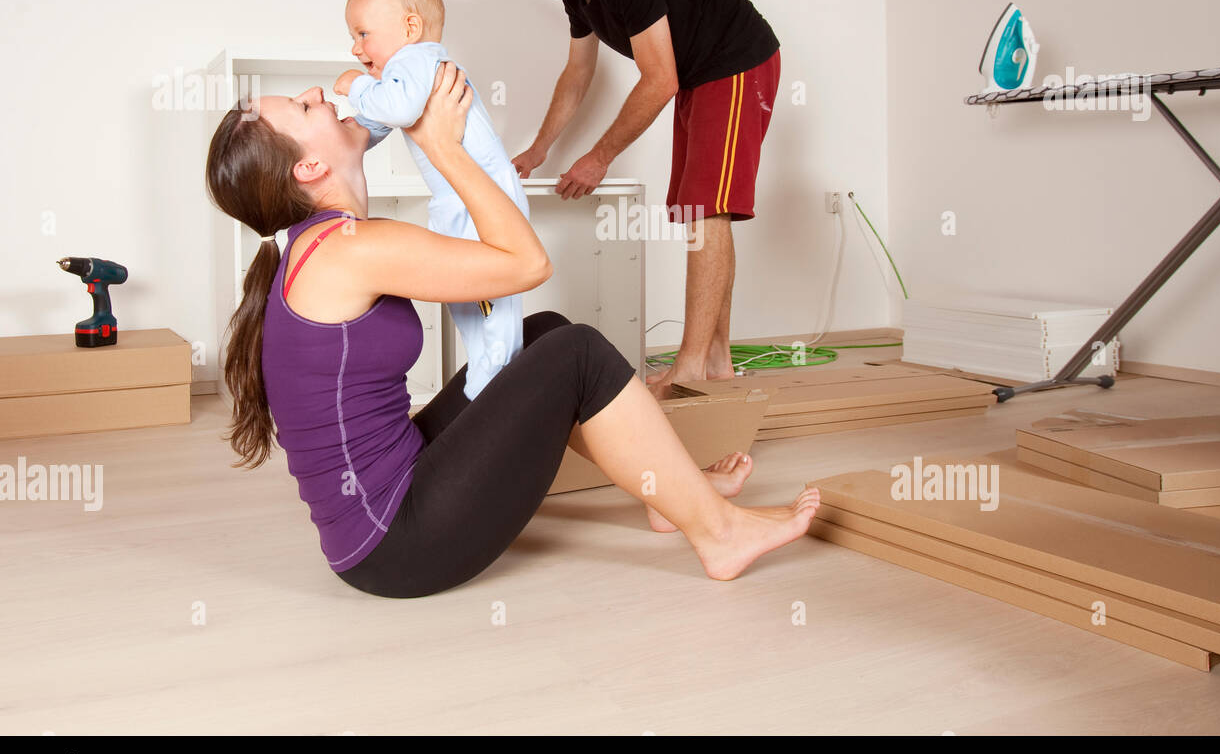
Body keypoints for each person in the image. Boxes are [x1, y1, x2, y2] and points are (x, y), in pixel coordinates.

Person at [204, 60, 819, 598]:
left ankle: (668, 495)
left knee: (542, 333)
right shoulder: (347, 248)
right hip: (396, 545)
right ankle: (719, 532)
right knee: (576, 354)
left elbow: (498, 271)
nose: (320, 92)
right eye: (307, 106)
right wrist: (446, 147)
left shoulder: (322, 247)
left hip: (385, 512)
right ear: (309, 167)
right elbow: (526, 264)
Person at [500, 0, 781, 396]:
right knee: (703, 208)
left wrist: (599, 156)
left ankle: (691, 366)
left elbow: (659, 80)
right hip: (701, 76)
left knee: (708, 211)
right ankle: (715, 361)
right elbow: (578, 73)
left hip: (736, 62)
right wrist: (539, 148)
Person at [332, 0, 526, 401]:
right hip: (456, 197)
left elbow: (398, 110)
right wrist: (352, 131)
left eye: (363, 34)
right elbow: (385, 120)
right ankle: (484, 367)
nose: (355, 48)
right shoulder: (405, 71)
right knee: (462, 290)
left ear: (410, 26)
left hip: (483, 194)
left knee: (491, 294)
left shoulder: (416, 58)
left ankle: (501, 374)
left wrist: (358, 87)